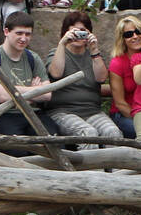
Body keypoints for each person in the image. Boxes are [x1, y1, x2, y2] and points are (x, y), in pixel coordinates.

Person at [0, 12, 57, 138]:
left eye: (28, 34)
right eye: (19, 33)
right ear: (6, 32)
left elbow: (47, 94)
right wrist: (34, 90)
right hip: (2, 114)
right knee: (16, 149)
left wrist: (9, 88)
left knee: (53, 141)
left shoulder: (33, 58)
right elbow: (2, 97)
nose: (23, 38)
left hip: (33, 113)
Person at [46, 11, 120, 143]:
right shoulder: (57, 52)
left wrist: (94, 50)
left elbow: (102, 78)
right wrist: (62, 43)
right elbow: (55, 73)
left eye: (82, 31)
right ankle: (89, 164)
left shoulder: (93, 55)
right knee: (88, 132)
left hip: (92, 111)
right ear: (65, 32)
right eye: (74, 31)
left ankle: (111, 164)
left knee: (112, 132)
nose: (78, 35)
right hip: (63, 112)